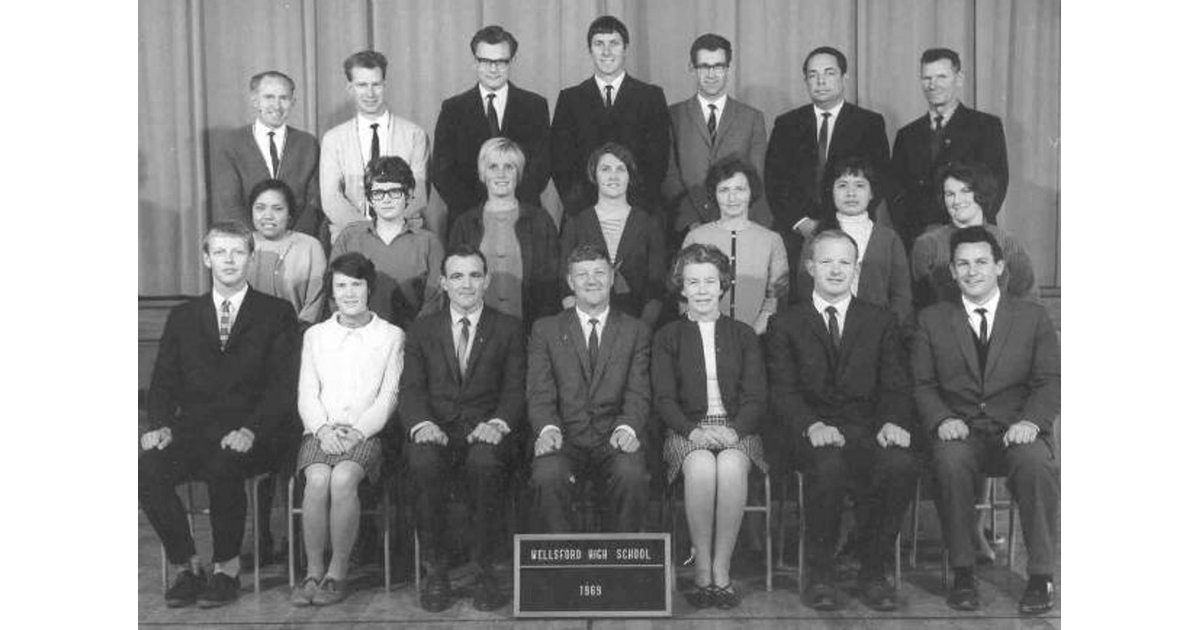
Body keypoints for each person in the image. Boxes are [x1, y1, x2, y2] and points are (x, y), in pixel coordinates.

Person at [139, 221, 299, 609]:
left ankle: (226, 569)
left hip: (255, 436)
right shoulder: (183, 316)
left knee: (223, 464)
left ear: (250, 257)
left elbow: (283, 387)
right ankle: (188, 566)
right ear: (207, 259)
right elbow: (162, 382)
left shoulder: (276, 313)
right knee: (147, 467)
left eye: (238, 252)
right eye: (220, 252)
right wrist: (158, 426)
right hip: (194, 432)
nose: (229, 260)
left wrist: (251, 429)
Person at [910, 226, 1059, 615]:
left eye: (980, 262)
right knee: (950, 460)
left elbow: (1049, 382)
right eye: (962, 264)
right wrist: (941, 418)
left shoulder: (1032, 317)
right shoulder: (933, 319)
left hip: (1016, 428)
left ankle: (1042, 576)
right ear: (953, 272)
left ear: (999, 266)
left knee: (1036, 464)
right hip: (960, 430)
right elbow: (922, 384)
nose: (972, 271)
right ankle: (963, 573)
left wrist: (1031, 422)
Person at [767, 229, 916, 612]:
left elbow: (896, 385)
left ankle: (872, 571)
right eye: (827, 261)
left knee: (899, 464)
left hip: (866, 430)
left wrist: (892, 421)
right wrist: (812, 425)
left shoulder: (880, 320)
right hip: (810, 433)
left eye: (844, 262)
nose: (836, 270)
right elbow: (782, 391)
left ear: (856, 268)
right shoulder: (786, 323)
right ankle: (821, 574)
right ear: (810, 266)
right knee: (828, 465)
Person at [398, 245, 527, 613]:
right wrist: (423, 425)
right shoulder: (422, 330)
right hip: (436, 430)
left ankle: (487, 572)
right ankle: (436, 572)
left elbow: (516, 388)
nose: (466, 284)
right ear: (443, 282)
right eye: (457, 276)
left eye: (474, 275)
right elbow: (411, 389)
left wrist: (499, 423)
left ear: (486, 280)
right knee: (423, 463)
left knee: (485, 464)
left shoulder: (509, 328)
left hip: (487, 430)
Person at [653, 243, 768, 610]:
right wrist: (694, 432)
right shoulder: (667, 336)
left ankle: (723, 570)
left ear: (722, 285)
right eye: (693, 282)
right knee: (702, 467)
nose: (701, 289)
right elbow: (664, 399)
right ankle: (701, 569)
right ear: (682, 288)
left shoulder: (743, 334)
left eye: (710, 281)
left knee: (731, 466)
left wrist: (735, 431)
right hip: (687, 429)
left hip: (738, 428)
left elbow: (756, 397)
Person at [291, 252, 403, 607]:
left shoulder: (391, 335)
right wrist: (322, 429)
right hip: (320, 430)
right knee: (318, 478)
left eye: (357, 284)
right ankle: (313, 570)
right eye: (341, 285)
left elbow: (389, 397)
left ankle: (337, 573)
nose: (350, 292)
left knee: (342, 479)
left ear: (369, 288)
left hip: (366, 434)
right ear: (331, 292)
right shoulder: (315, 335)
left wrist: (356, 432)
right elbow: (307, 391)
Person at [527, 244, 652, 533]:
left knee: (631, 475)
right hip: (564, 437)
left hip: (614, 438)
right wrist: (548, 429)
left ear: (611, 278)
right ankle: (564, 570)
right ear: (570, 282)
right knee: (547, 475)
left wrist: (627, 429)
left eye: (599, 272)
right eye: (582, 274)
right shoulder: (545, 330)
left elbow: (638, 392)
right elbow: (539, 392)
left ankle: (620, 569)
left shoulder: (636, 330)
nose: (591, 280)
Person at [764, 46, 890, 273]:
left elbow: (878, 180)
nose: (821, 81)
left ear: (844, 77)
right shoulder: (786, 124)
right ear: (806, 81)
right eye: (813, 75)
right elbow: (774, 182)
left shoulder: (869, 123)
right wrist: (801, 223)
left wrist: (839, 223)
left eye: (829, 73)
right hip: (795, 232)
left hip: (851, 228)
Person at [432, 25, 550, 230]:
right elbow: (443, 172)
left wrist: (509, 208)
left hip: (523, 217)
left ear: (512, 61)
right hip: (468, 219)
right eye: (485, 61)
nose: (493, 69)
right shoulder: (453, 109)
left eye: (501, 61)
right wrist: (479, 212)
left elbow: (542, 167)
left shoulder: (535, 106)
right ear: (474, 62)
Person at [551, 15, 670, 218]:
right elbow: (561, 163)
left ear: (626, 48)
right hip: (583, 213)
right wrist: (584, 211)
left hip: (639, 213)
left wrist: (634, 211)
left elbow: (658, 162)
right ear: (589, 49)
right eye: (599, 44)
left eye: (614, 43)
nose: (606, 52)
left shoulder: (651, 96)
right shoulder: (570, 98)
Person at [891, 48, 1008, 247]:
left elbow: (996, 183)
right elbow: (895, 192)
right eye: (927, 78)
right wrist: (914, 233)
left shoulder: (986, 126)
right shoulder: (907, 135)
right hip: (919, 241)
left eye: (941, 76)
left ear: (959, 78)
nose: (933, 85)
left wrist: (969, 227)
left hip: (972, 237)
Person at [663, 33, 771, 241]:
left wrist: (734, 221)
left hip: (739, 225)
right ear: (692, 68)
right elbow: (670, 176)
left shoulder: (752, 118)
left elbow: (756, 177)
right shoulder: (672, 115)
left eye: (718, 66)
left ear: (728, 68)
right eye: (704, 66)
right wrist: (692, 222)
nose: (711, 74)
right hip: (687, 226)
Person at [447, 138, 560, 324]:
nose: (501, 174)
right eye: (493, 167)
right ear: (483, 173)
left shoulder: (540, 221)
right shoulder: (465, 224)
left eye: (509, 167)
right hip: (479, 332)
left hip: (529, 330)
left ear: (518, 173)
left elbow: (550, 286)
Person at [321, 50, 430, 242]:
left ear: (385, 85)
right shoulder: (333, 139)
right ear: (350, 88)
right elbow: (331, 198)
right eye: (362, 85)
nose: (370, 93)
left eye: (376, 85)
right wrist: (367, 232)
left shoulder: (415, 135)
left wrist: (388, 229)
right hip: (351, 237)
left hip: (404, 236)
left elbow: (419, 194)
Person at [795, 157, 912, 329]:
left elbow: (901, 296)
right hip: (826, 331)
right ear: (831, 191)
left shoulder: (889, 238)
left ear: (872, 192)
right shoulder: (817, 236)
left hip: (878, 334)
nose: (851, 193)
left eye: (859, 185)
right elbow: (804, 289)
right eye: (842, 185)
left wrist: (888, 331)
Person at [560, 142, 666, 328]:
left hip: (636, 322)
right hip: (586, 323)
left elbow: (656, 287)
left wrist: (642, 330)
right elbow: (564, 282)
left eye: (620, 169)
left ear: (629, 176)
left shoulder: (648, 223)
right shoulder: (576, 223)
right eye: (605, 169)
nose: (613, 176)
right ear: (594, 175)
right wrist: (579, 325)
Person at [331, 156, 443, 329]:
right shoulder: (350, 236)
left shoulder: (428, 242)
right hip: (357, 336)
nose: (386, 199)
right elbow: (334, 294)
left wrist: (413, 339)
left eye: (394, 192)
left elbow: (435, 300)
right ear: (369, 198)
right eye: (378, 193)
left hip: (414, 339)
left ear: (409, 194)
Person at [682, 156, 788, 334]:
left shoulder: (772, 240)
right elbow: (683, 295)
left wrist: (751, 337)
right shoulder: (695, 237)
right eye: (724, 190)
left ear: (751, 192)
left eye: (740, 189)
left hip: (757, 338)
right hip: (703, 335)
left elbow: (775, 299)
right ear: (714, 194)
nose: (732, 197)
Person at [910, 161, 1036, 310]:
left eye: (965, 191)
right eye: (950, 194)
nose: (957, 201)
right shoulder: (927, 244)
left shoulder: (1007, 242)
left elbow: (1028, 299)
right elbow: (920, 305)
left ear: (981, 192)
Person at [213, 71, 323, 238]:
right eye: (269, 97)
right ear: (255, 101)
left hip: (297, 244)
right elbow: (229, 203)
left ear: (293, 102)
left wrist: (292, 242)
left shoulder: (307, 144)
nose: (277, 106)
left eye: (284, 98)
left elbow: (313, 202)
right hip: (247, 244)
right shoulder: (230, 144)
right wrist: (254, 242)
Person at [245, 179, 327, 326]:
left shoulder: (310, 246)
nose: (268, 215)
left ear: (289, 213)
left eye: (277, 209)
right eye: (260, 208)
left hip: (298, 335)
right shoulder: (240, 246)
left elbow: (315, 304)